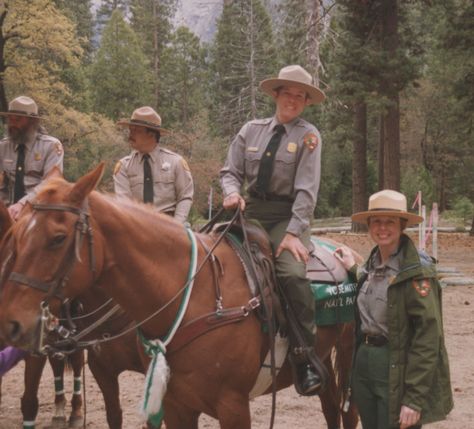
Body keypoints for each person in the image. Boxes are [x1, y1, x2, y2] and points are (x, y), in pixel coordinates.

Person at [220, 65, 326, 395]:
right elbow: (230, 171)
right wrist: (232, 192)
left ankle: (305, 356)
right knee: (207, 258)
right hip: (248, 210)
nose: (292, 100)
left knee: (292, 274)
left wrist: (294, 233)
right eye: (287, 93)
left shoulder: (308, 137)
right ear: (275, 95)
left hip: (286, 216)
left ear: (305, 102)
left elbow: (307, 191)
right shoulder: (250, 130)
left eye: (300, 96)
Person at [334, 190, 453, 429]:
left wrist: (414, 400)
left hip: (395, 366)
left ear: (402, 226)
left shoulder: (416, 274)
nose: (382, 228)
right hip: (364, 364)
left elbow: (428, 340)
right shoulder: (371, 265)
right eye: (376, 221)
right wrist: (353, 267)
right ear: (368, 225)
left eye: (390, 222)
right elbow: (373, 285)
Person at [114, 106, 193, 223]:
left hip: (171, 226)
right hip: (138, 229)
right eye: (131, 129)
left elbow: (185, 197)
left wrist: (176, 226)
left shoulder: (176, 162)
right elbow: (124, 205)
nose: (131, 134)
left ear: (151, 134)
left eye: (137, 130)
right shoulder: (123, 166)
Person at [0, 95, 64, 220]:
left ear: (32, 121)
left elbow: (51, 183)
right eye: (10, 119)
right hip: (9, 212)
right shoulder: (3, 147)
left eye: (17, 120)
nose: (12, 124)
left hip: (40, 211)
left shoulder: (51, 146)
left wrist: (23, 203)